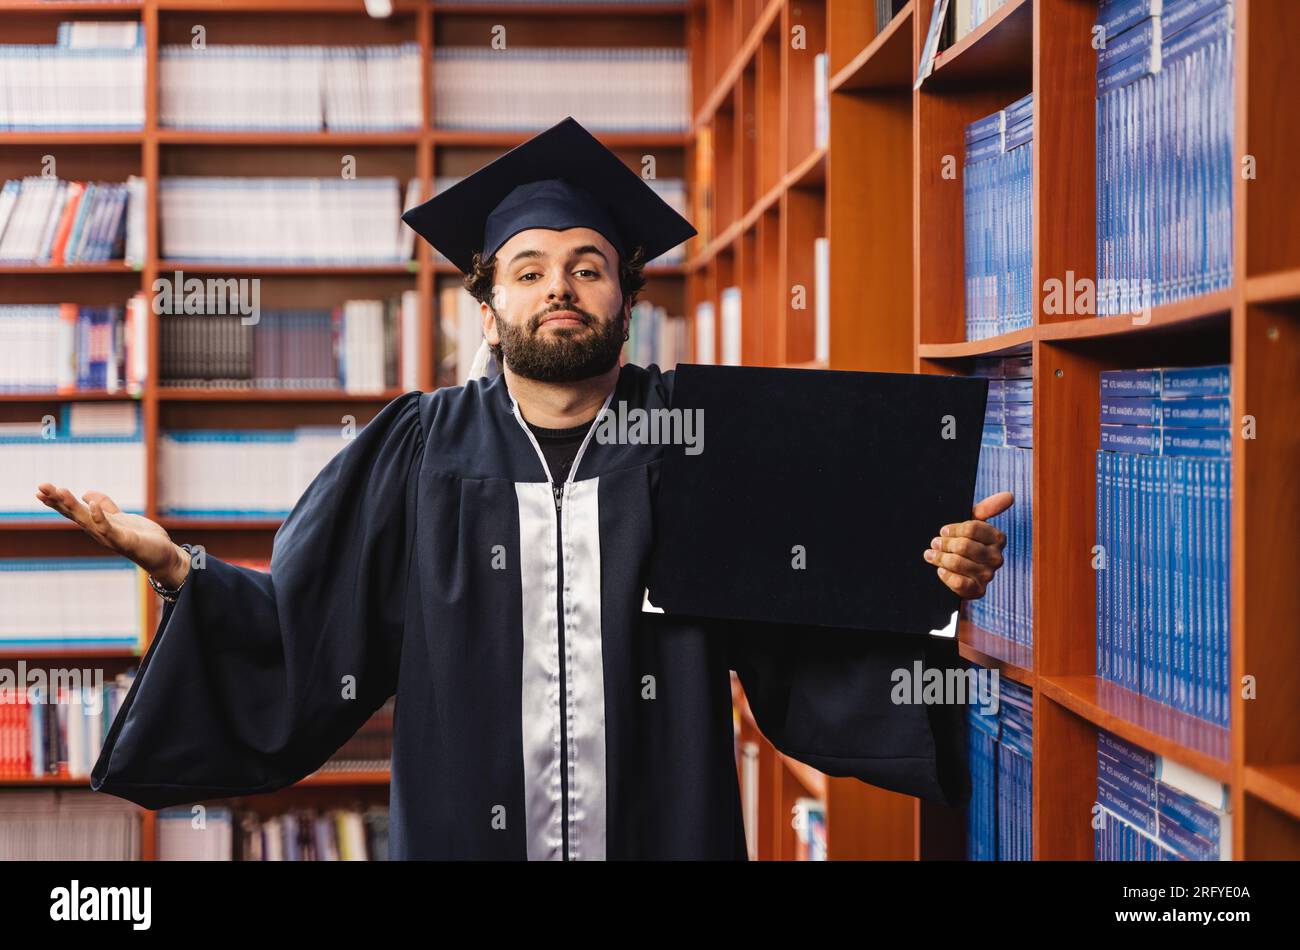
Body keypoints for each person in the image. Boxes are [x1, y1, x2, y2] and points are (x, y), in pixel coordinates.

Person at [35, 117, 1013, 860]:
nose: (561, 286)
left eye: (588, 267)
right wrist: (183, 570)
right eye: (530, 267)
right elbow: (306, 625)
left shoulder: (703, 441)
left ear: (626, 297)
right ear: (488, 298)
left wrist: (926, 577)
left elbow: (804, 627)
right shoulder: (414, 449)